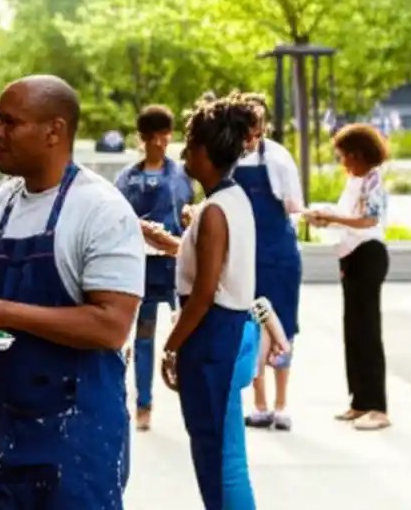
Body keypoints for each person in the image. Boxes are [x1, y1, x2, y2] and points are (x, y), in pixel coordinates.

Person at [0, 75, 145, 509]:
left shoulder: (101, 211)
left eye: (10, 122)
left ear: (54, 131)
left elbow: (111, 326)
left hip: (76, 439)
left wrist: (2, 312)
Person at [160, 94, 263, 510]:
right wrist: (172, 242)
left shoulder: (215, 211)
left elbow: (203, 295)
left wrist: (171, 345)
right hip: (228, 330)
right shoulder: (231, 200)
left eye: (188, 141)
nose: (183, 151)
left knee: (217, 460)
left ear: (204, 150)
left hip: (211, 338)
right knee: (224, 455)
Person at [305, 124, 392, 432]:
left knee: (368, 331)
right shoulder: (355, 181)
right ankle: (359, 401)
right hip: (351, 256)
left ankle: (377, 407)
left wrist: (330, 217)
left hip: (368, 254)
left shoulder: (373, 180)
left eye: (345, 156)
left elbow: (368, 219)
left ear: (358, 154)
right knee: (353, 331)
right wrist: (325, 216)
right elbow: (348, 218)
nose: (343, 162)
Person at [114, 104, 194, 431]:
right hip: (143, 267)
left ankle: (192, 399)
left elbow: (191, 212)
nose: (158, 144)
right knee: (144, 336)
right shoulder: (127, 178)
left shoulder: (181, 174)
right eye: (151, 138)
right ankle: (143, 403)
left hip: (176, 264)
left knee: (188, 333)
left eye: (163, 137)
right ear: (142, 139)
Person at [233, 94, 305, 431]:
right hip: (245, 255)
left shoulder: (277, 157)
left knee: (282, 326)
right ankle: (259, 404)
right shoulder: (229, 159)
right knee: (251, 328)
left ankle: (281, 403)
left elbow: (293, 206)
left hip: (277, 255)